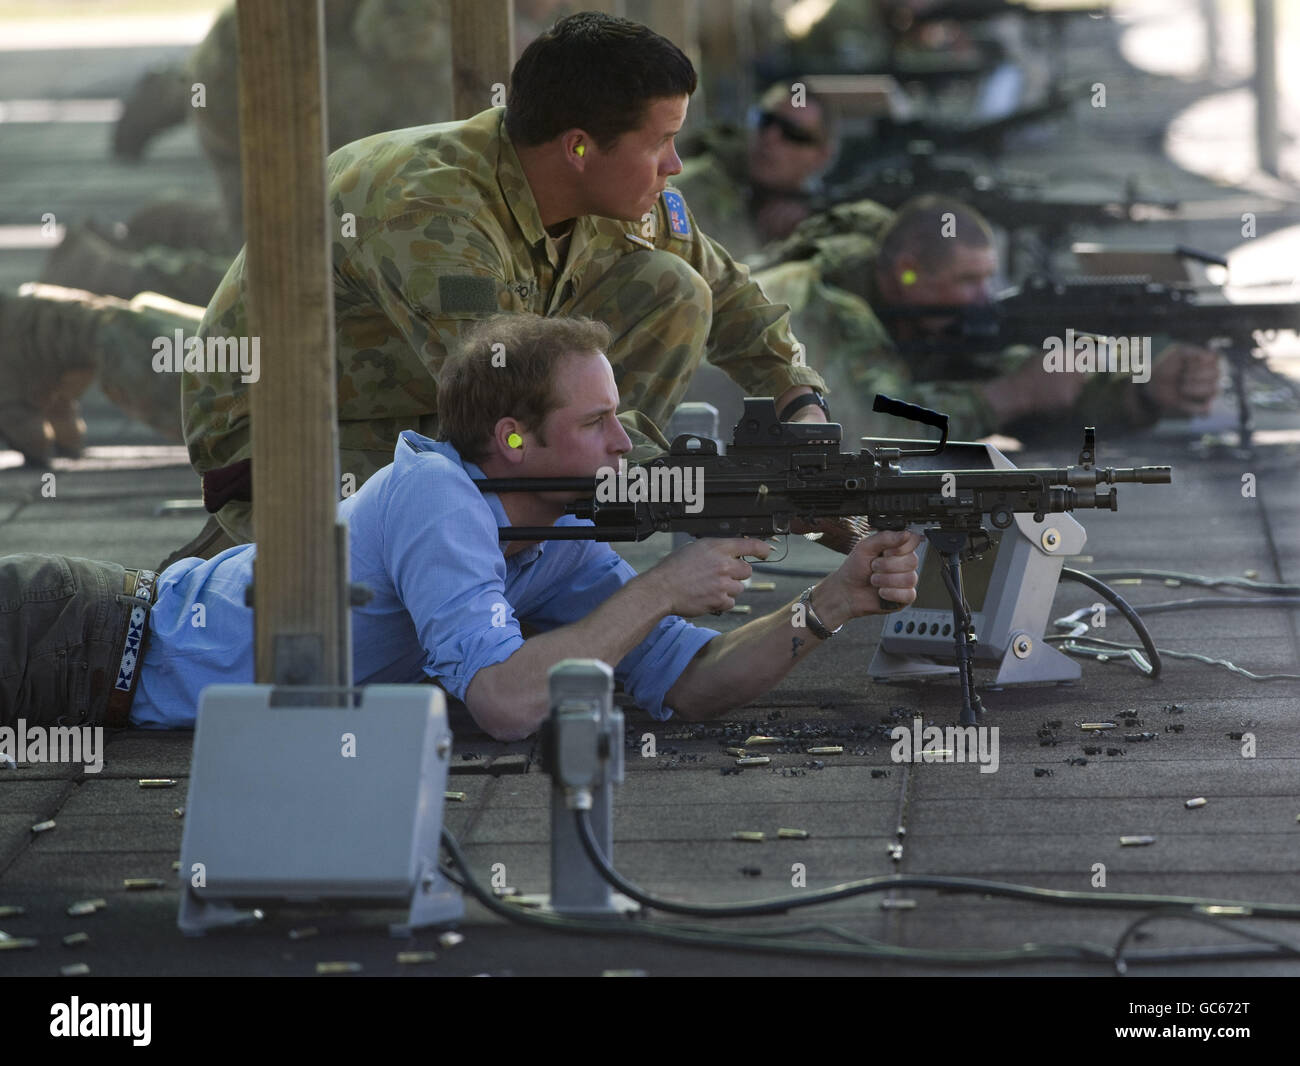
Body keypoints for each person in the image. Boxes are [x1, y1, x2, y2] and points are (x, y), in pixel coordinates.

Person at [0, 314, 920, 741]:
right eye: (597, 421)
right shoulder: (439, 495)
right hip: (74, 634)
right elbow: (507, 704)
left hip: (98, 677)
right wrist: (663, 588)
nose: (622, 442)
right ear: (513, 440)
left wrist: (828, 606)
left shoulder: (559, 542)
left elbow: (688, 687)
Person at [182, 11, 832, 564]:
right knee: (498, 457)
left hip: (425, 398)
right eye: (660, 141)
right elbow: (500, 410)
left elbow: (729, 294)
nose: (675, 164)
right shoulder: (433, 209)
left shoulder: (605, 187)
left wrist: (799, 405)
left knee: (676, 289)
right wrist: (707, 489)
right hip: (285, 435)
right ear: (579, 147)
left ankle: (554, 528)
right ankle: (245, 560)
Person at [752, 195, 1222, 442]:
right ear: (906, 271)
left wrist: (1141, 391)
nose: (985, 298)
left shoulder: (926, 316)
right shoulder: (820, 302)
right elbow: (875, 430)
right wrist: (1010, 396)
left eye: (988, 278)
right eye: (967, 281)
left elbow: (1009, 377)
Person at [672, 82, 840, 260]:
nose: (770, 137)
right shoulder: (686, 188)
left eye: (792, 132)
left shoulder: (820, 212)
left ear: (822, 156)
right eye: (765, 121)